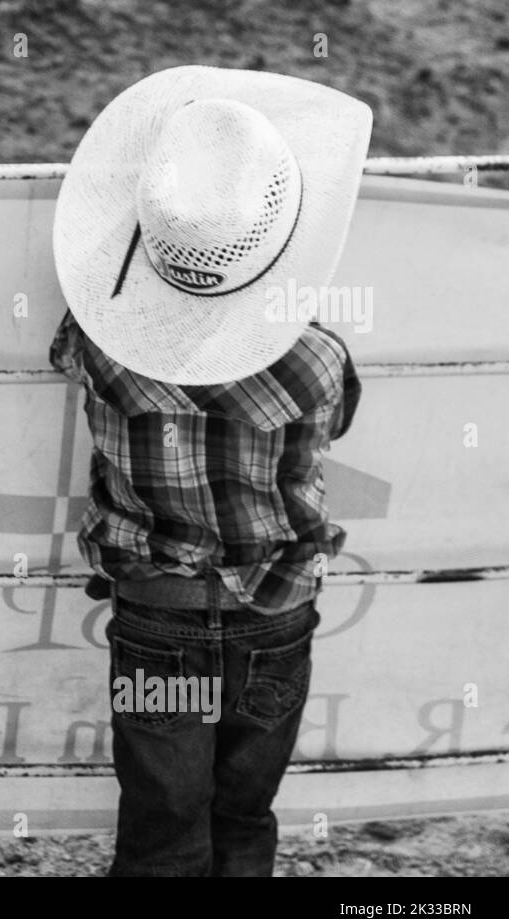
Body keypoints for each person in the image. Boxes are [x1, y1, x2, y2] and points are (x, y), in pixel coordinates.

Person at [48, 66, 369, 876]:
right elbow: (336, 418)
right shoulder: (319, 362)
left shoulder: (98, 338)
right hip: (276, 612)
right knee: (244, 811)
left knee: (162, 818)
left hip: (154, 607)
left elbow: (66, 347)